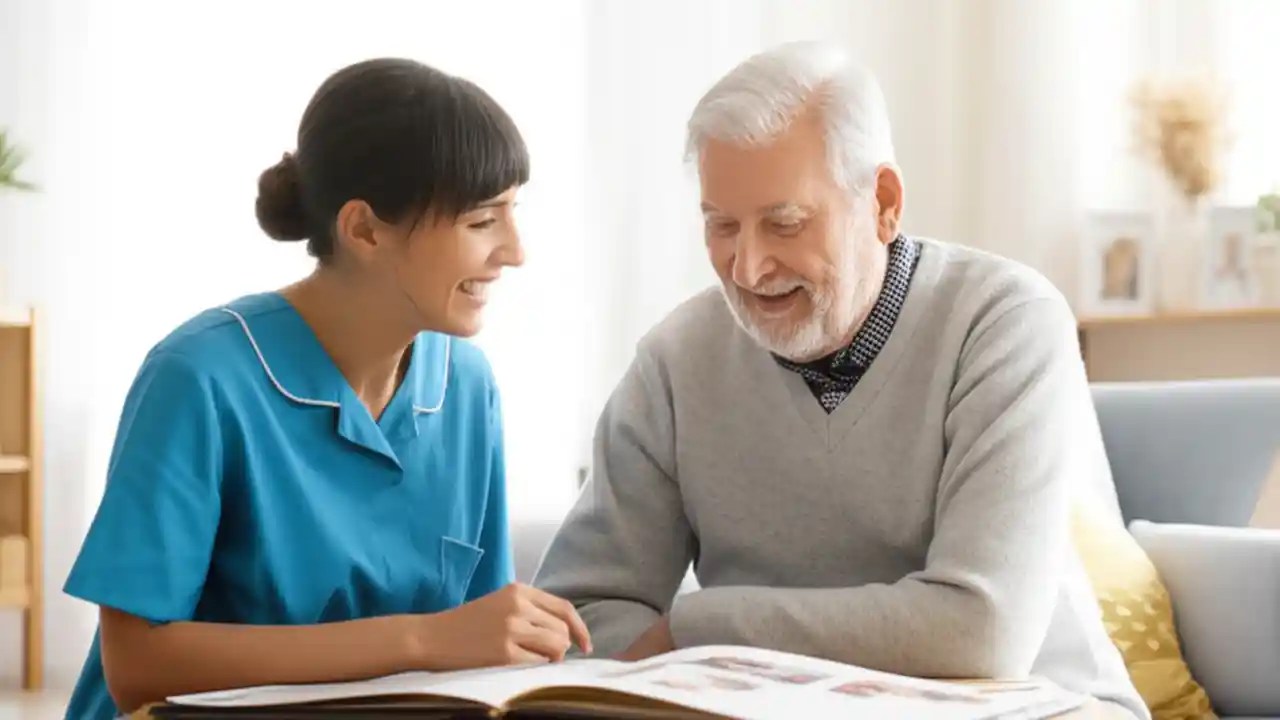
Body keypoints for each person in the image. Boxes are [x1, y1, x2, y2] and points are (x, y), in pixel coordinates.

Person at [533, 41, 1147, 719]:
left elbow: (982, 631)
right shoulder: (676, 360)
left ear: (883, 202)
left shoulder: (1006, 321)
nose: (749, 268)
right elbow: (578, 622)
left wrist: (699, 627)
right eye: (722, 226)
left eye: (784, 223)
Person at [63, 58, 589, 720]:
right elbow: (139, 666)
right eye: (483, 221)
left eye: (513, 214)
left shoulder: (466, 386)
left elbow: (482, 650)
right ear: (365, 229)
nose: (515, 251)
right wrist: (421, 639)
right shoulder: (200, 378)